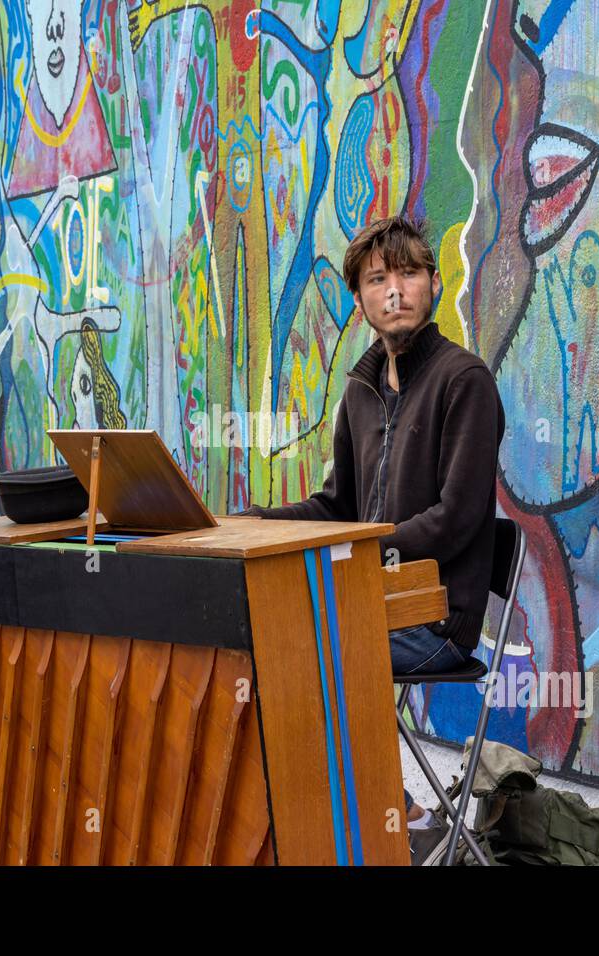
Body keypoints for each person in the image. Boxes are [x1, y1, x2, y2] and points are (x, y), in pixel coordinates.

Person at [241, 216, 505, 861]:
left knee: (298, 648)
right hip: (372, 602)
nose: (395, 290)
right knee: (258, 636)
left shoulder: (463, 381)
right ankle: (353, 817)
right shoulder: (360, 392)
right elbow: (338, 507)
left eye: (409, 273)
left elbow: (457, 518)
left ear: (433, 286)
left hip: (437, 617)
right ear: (359, 301)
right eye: (377, 279)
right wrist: (247, 521)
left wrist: (366, 551)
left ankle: (390, 816)